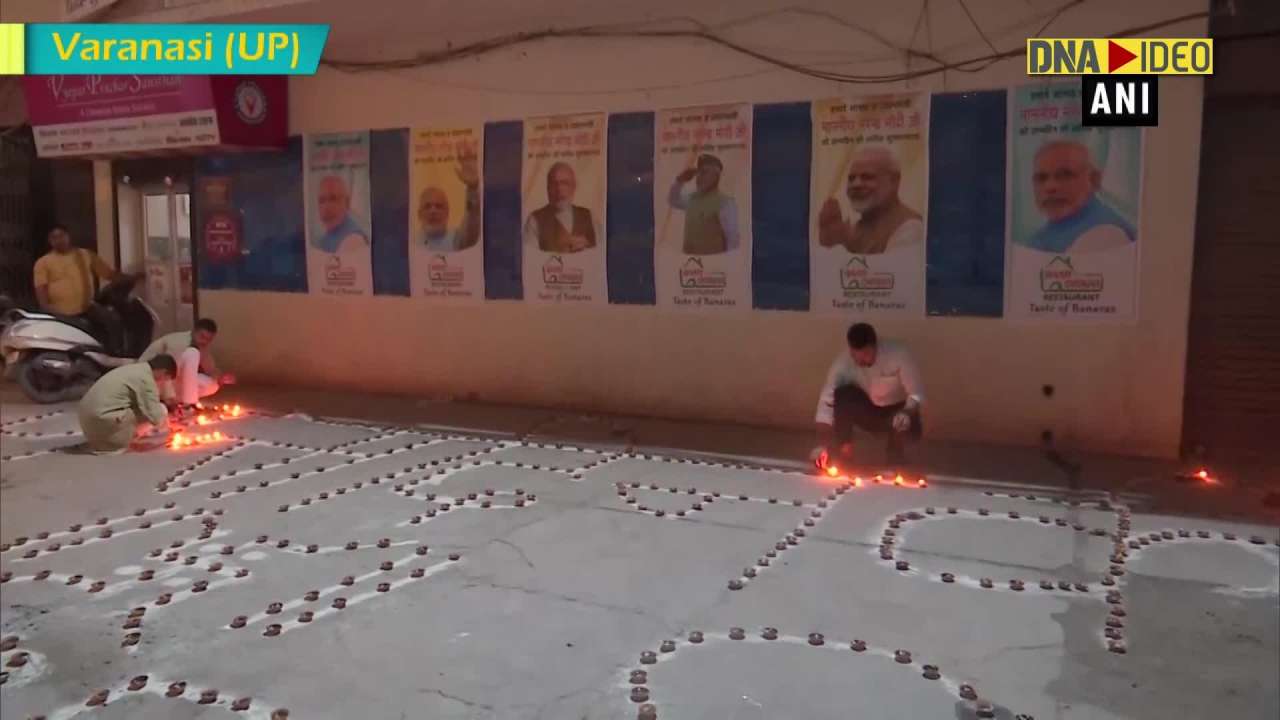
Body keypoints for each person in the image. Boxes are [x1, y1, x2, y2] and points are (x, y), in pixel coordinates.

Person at [812, 322, 925, 468]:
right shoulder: (842, 364)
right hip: (866, 412)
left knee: (907, 421)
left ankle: (895, 455)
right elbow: (825, 404)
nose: (861, 360)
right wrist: (822, 444)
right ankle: (845, 454)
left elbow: (916, 393)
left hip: (895, 413)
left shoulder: (899, 354)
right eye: (855, 355)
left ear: (875, 346)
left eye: (866, 354)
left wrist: (907, 412)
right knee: (844, 395)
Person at [1022, 139, 1136, 254]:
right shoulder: (1046, 233)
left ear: (1094, 180)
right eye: (1041, 178)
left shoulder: (1106, 235)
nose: (1050, 187)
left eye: (1065, 175)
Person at [33, 223, 131, 353]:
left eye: (61, 236)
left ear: (68, 236)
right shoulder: (43, 262)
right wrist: (48, 310)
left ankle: (116, 355)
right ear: (50, 241)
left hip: (86, 307)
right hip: (61, 312)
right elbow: (41, 290)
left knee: (113, 320)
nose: (59, 240)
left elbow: (108, 274)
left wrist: (133, 277)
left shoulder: (85, 255)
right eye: (54, 237)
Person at [817, 146, 923, 255]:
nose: (856, 184)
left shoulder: (911, 230)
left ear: (894, 181)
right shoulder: (856, 229)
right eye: (851, 178)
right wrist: (834, 244)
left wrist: (838, 250)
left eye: (867, 177)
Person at [78, 355, 175, 454]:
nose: (163, 382)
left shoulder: (136, 369)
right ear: (163, 371)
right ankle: (118, 441)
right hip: (103, 419)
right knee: (161, 410)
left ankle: (107, 441)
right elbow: (154, 414)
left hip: (88, 419)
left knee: (141, 410)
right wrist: (173, 427)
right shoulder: (146, 379)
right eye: (166, 378)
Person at [139, 318, 234, 409]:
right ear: (194, 331)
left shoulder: (201, 345)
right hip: (152, 381)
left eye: (208, 339)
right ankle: (187, 403)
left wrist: (221, 377)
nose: (204, 341)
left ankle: (181, 401)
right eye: (202, 336)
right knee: (192, 353)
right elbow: (166, 372)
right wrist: (169, 399)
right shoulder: (179, 343)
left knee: (212, 385)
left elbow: (210, 369)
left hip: (173, 380)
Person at [668, 154, 740, 255]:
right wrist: (680, 180)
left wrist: (726, 265)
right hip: (690, 262)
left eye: (704, 173)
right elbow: (673, 200)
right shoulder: (692, 198)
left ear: (716, 176)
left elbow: (733, 239)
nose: (698, 177)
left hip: (713, 264)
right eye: (698, 173)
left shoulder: (725, 203)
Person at [522, 162, 599, 253]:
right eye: (554, 184)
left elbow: (600, 252)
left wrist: (587, 247)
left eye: (565, 183)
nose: (559, 189)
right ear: (547, 188)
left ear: (574, 187)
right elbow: (531, 258)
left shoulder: (589, 216)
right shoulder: (534, 220)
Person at [417, 144, 481, 252]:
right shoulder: (412, 243)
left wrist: (473, 188)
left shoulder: (457, 240)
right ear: (419, 214)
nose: (433, 211)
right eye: (427, 206)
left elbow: (472, 225)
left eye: (439, 206)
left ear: (447, 212)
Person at [312, 175, 369, 254]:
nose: (326, 207)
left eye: (333, 199)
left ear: (347, 203)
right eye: (322, 200)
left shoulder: (354, 240)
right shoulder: (324, 239)